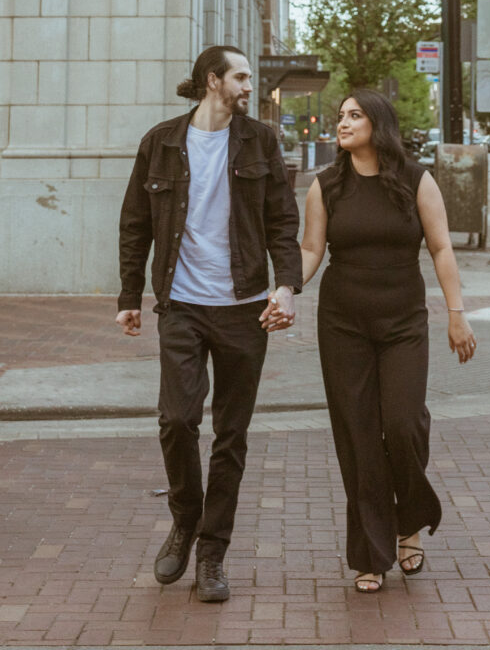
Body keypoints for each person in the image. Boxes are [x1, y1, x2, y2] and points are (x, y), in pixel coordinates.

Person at [116, 46, 302, 603]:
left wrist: (286, 286)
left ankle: (212, 552)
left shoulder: (260, 141)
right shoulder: (161, 142)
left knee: (231, 435)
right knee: (177, 420)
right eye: (241, 76)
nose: (249, 85)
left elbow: (282, 221)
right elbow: (135, 223)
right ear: (213, 80)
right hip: (181, 304)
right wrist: (130, 294)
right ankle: (185, 518)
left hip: (244, 307)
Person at [299, 89, 477, 593]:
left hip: (403, 322)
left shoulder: (416, 180)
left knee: (402, 423)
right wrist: (286, 289)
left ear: (378, 124)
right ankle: (371, 553)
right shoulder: (326, 185)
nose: (343, 123)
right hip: (342, 323)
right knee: (358, 437)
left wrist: (457, 315)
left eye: (354, 115)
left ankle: (409, 519)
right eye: (341, 116)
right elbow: (311, 249)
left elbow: (441, 249)